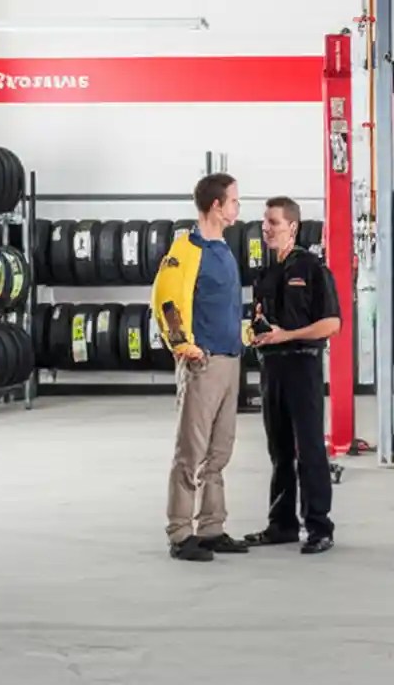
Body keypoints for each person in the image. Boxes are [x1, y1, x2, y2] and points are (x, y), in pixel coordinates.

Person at [151, 172, 249, 562]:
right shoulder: (186, 249)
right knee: (190, 453)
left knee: (219, 452)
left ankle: (211, 527)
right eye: (235, 201)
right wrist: (182, 346)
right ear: (216, 206)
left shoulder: (224, 249)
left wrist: (246, 334)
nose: (238, 207)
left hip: (230, 360)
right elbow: (166, 300)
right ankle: (179, 532)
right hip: (203, 364)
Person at [244, 196, 341, 555]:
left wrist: (288, 335)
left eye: (273, 222)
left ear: (293, 227)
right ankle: (281, 524)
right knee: (279, 449)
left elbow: (332, 323)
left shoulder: (314, 269)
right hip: (271, 368)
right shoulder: (266, 274)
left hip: (302, 366)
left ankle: (319, 527)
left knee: (310, 449)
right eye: (264, 222)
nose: (266, 228)